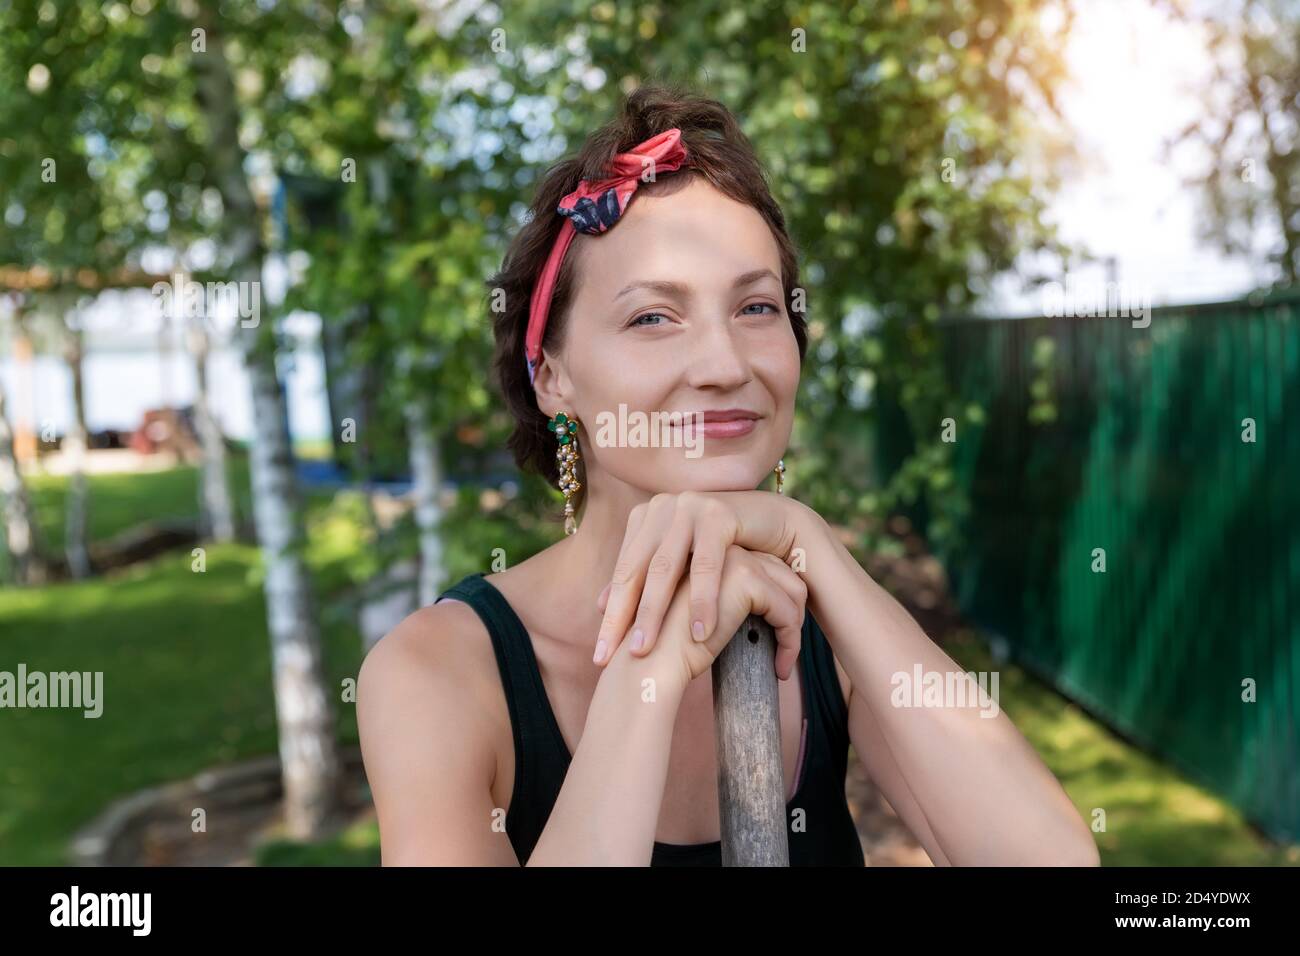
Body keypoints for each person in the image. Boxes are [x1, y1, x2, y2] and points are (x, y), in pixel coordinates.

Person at [357, 82, 1100, 867]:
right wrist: (645, 669)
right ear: (551, 377)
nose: (725, 365)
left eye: (755, 308)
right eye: (652, 317)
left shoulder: (827, 630)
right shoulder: (437, 673)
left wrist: (806, 541)